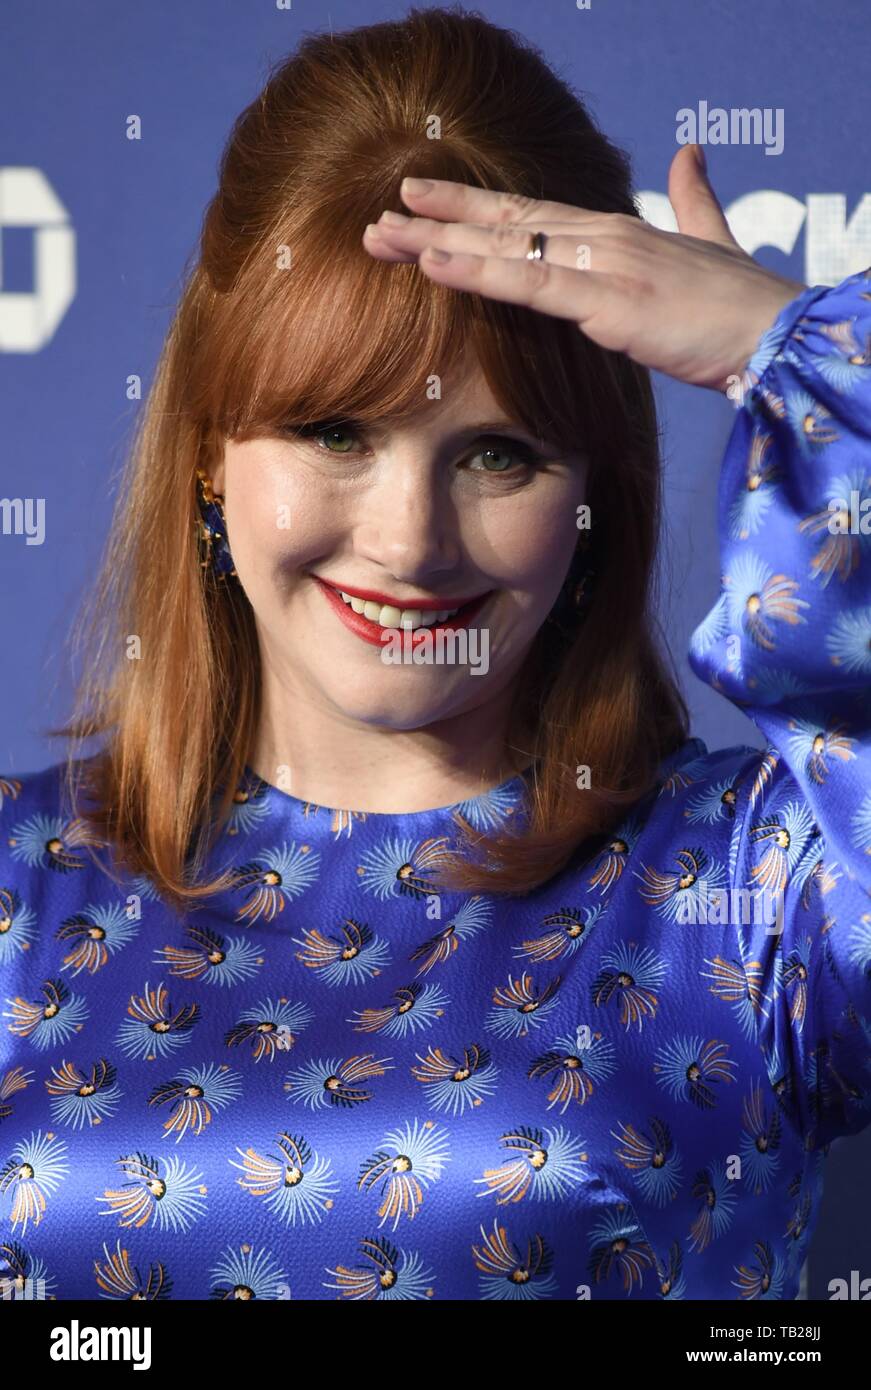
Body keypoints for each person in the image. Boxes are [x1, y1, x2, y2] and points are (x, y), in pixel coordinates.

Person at [1, 7, 869, 1302]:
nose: (409, 540)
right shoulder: (19, 892)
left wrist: (800, 357)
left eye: (499, 452)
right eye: (335, 433)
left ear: (595, 493)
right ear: (207, 452)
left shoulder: (758, 902)